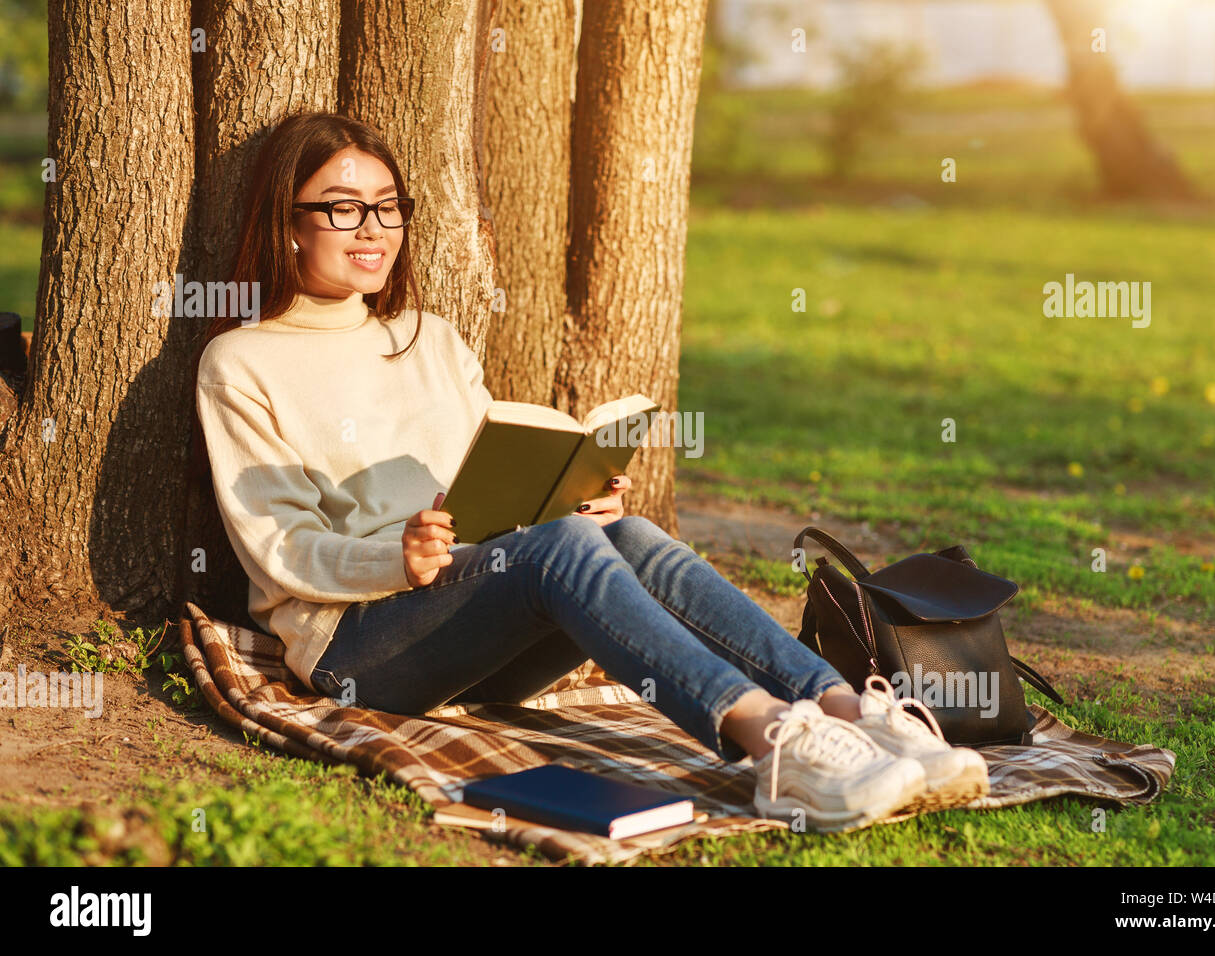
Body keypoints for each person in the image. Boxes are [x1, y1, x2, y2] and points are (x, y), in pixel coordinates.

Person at [191, 111, 985, 833]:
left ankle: (850, 714)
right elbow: (278, 543)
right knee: (559, 548)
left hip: (475, 621)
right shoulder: (244, 362)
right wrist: (391, 554)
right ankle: (777, 745)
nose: (372, 228)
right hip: (358, 649)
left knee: (628, 533)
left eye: (388, 205)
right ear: (288, 223)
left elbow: (488, 484)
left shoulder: (430, 338)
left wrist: (570, 492)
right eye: (341, 206)